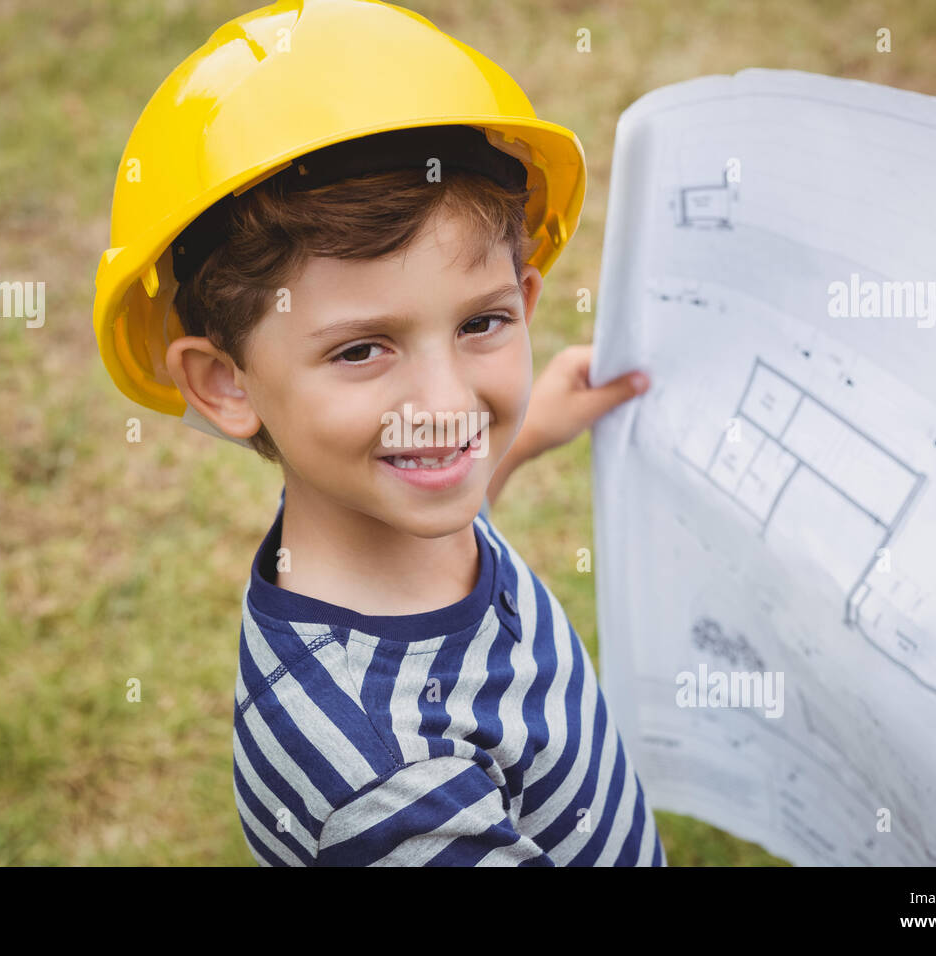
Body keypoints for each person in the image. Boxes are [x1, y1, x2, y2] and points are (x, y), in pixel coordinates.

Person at [92, 0, 657, 866]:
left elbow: (447, 497)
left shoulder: (385, 516)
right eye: (362, 349)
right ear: (225, 382)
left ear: (528, 299)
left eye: (482, 324)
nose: (444, 400)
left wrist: (532, 424)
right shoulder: (389, 784)